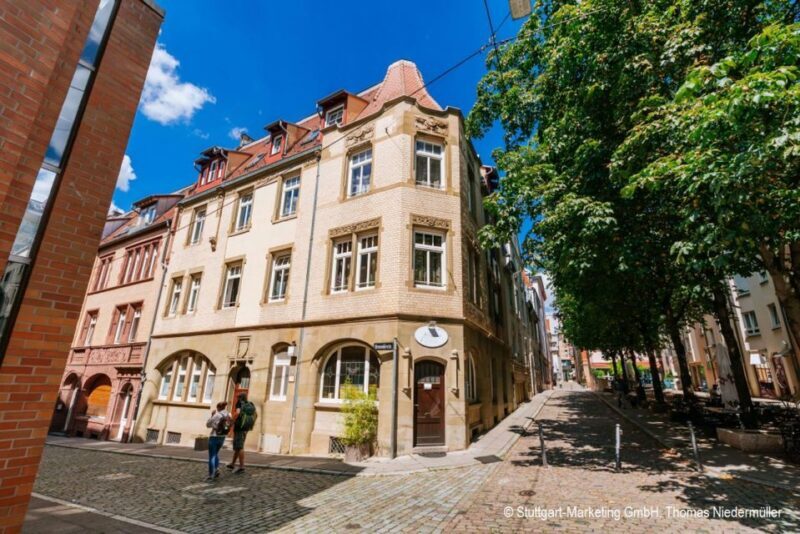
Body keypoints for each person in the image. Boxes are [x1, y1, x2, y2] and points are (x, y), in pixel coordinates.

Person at [226, 393, 257, 474]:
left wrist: (231, 421)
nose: (236, 399)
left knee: (239, 447)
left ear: (240, 398)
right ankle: (232, 464)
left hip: (239, 428)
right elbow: (256, 415)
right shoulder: (250, 404)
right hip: (245, 428)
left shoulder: (240, 403)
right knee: (238, 446)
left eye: (237, 397)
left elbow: (237, 413)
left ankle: (242, 466)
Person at [205, 401, 231, 481]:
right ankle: (216, 469)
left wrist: (212, 415)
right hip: (222, 437)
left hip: (214, 436)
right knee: (215, 454)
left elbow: (208, 425)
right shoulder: (229, 414)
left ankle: (210, 474)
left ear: (219, 408)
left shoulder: (217, 415)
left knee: (212, 456)